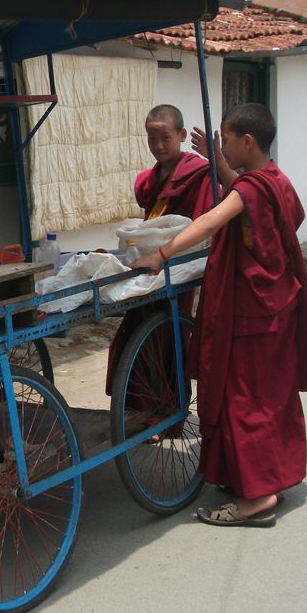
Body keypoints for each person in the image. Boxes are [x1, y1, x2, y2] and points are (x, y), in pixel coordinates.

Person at [133, 103, 307, 527]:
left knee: (246, 401)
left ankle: (256, 500)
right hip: (277, 306)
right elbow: (247, 195)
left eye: (227, 139)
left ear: (248, 141)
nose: (222, 145)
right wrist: (220, 164)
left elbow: (211, 220)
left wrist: (161, 254)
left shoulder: (254, 188)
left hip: (253, 315)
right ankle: (265, 477)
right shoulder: (276, 180)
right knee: (271, 398)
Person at [105, 104, 216, 399]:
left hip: (178, 264)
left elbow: (206, 221)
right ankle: (138, 408)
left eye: (165, 137)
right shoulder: (149, 179)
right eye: (152, 138)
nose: (158, 146)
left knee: (168, 337)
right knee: (135, 333)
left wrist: (216, 159)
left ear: (181, 135)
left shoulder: (199, 172)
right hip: (149, 263)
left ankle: (166, 410)